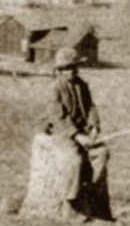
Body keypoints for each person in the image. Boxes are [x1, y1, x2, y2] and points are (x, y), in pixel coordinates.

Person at [45, 46, 110, 216]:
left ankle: (91, 193)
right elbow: (57, 117)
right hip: (62, 133)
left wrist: (94, 127)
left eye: (74, 67)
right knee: (75, 160)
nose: (71, 71)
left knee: (102, 152)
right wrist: (77, 136)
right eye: (67, 68)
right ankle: (72, 203)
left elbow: (91, 108)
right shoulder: (55, 88)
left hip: (83, 132)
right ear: (59, 70)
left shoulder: (82, 85)